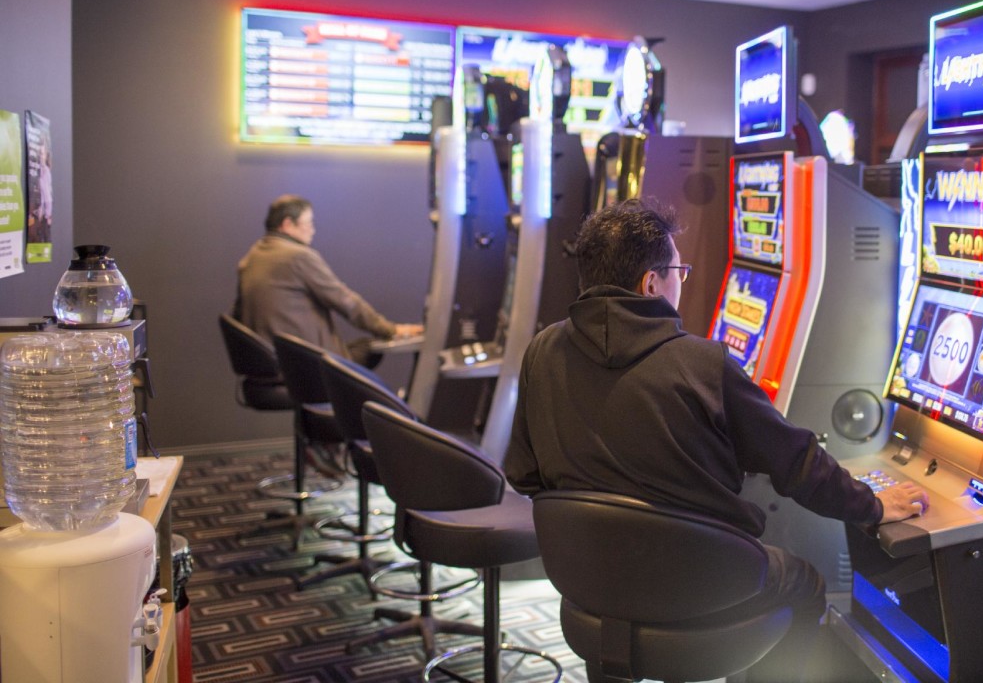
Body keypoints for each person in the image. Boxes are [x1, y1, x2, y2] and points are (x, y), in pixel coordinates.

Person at [504, 199, 929, 682]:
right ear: (651, 283)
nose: (680, 281)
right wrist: (873, 505)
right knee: (806, 581)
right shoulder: (703, 365)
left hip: (589, 584)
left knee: (619, 575)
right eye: (678, 271)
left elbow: (522, 475)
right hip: (700, 585)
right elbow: (800, 464)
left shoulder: (541, 352)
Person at [234, 194, 421, 367]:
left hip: (271, 365)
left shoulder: (251, 258)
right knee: (370, 348)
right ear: (288, 224)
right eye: (309, 223)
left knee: (362, 347)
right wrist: (392, 330)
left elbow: (238, 317)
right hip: (304, 367)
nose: (313, 230)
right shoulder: (298, 257)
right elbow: (346, 302)